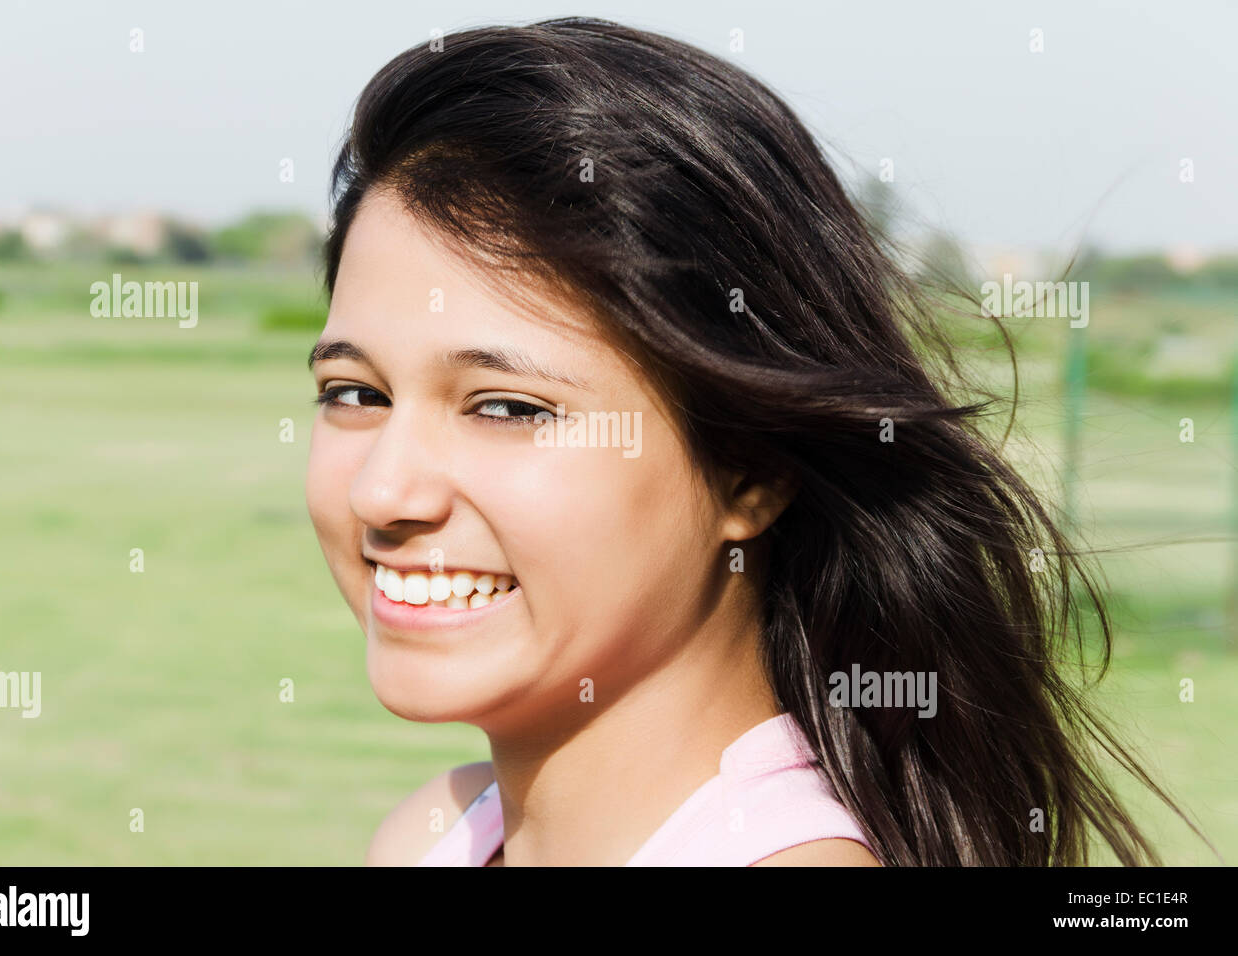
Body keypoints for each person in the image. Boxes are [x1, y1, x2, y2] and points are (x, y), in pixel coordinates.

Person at [305, 16, 1207, 865]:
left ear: (751, 469)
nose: (384, 493)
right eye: (355, 393)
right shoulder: (440, 834)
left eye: (507, 408)